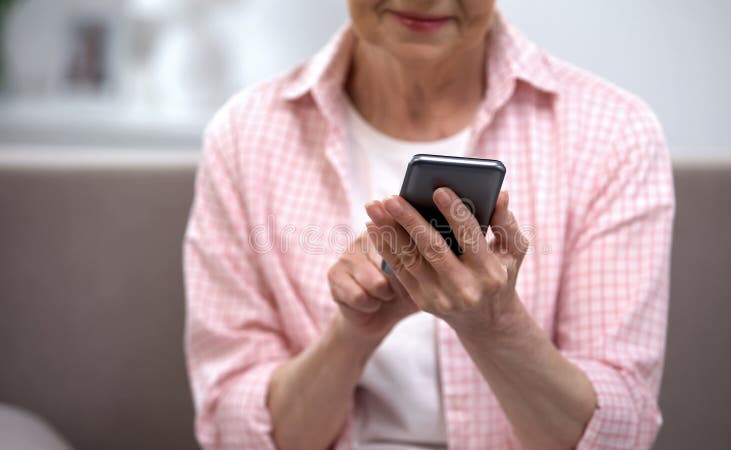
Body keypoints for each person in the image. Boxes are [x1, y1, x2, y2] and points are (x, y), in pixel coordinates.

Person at [183, 1, 675, 449]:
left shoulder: (613, 134)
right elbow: (232, 431)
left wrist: (496, 328)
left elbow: (621, 435)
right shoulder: (245, 136)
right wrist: (351, 335)